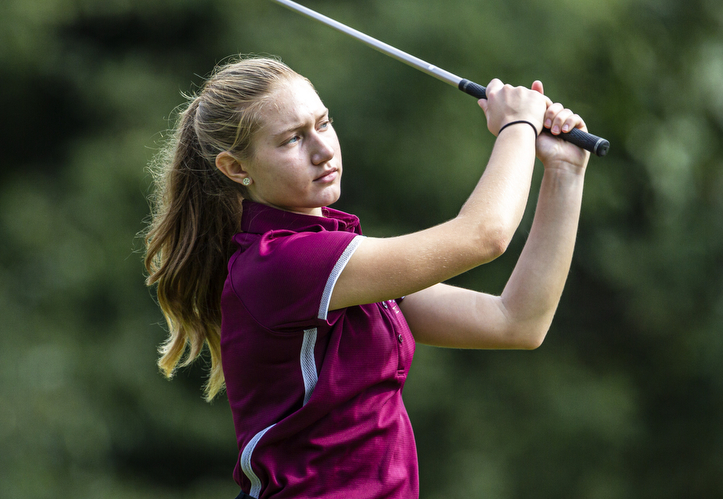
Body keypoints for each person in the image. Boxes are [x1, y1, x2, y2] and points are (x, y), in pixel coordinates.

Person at [144, 57, 590, 499]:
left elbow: (517, 322)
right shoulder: (283, 263)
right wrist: (517, 127)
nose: (323, 150)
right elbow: (484, 236)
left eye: (323, 123)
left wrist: (564, 172)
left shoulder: (339, 265)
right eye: (292, 139)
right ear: (237, 168)